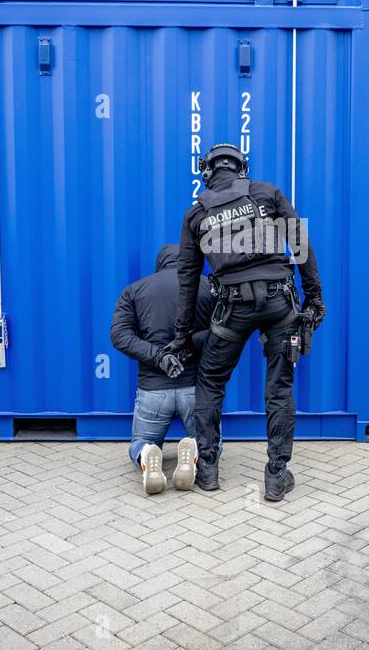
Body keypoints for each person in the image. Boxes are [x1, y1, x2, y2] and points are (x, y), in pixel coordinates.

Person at [165, 143, 325, 501]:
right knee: (279, 388)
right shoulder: (267, 193)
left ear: (208, 172)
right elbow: (301, 246)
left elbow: (187, 279)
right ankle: (276, 475)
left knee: (210, 381)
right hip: (280, 304)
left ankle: (208, 469)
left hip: (232, 310)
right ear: (241, 169)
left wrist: (182, 335)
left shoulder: (196, 214)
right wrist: (315, 298)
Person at [110, 245, 214, 495]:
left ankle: (147, 453)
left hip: (153, 390)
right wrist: (190, 345)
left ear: (160, 263)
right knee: (212, 444)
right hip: (196, 388)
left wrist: (159, 357)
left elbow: (119, 335)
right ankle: (194, 449)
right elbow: (225, 331)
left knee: (139, 442)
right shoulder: (208, 287)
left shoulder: (134, 290)